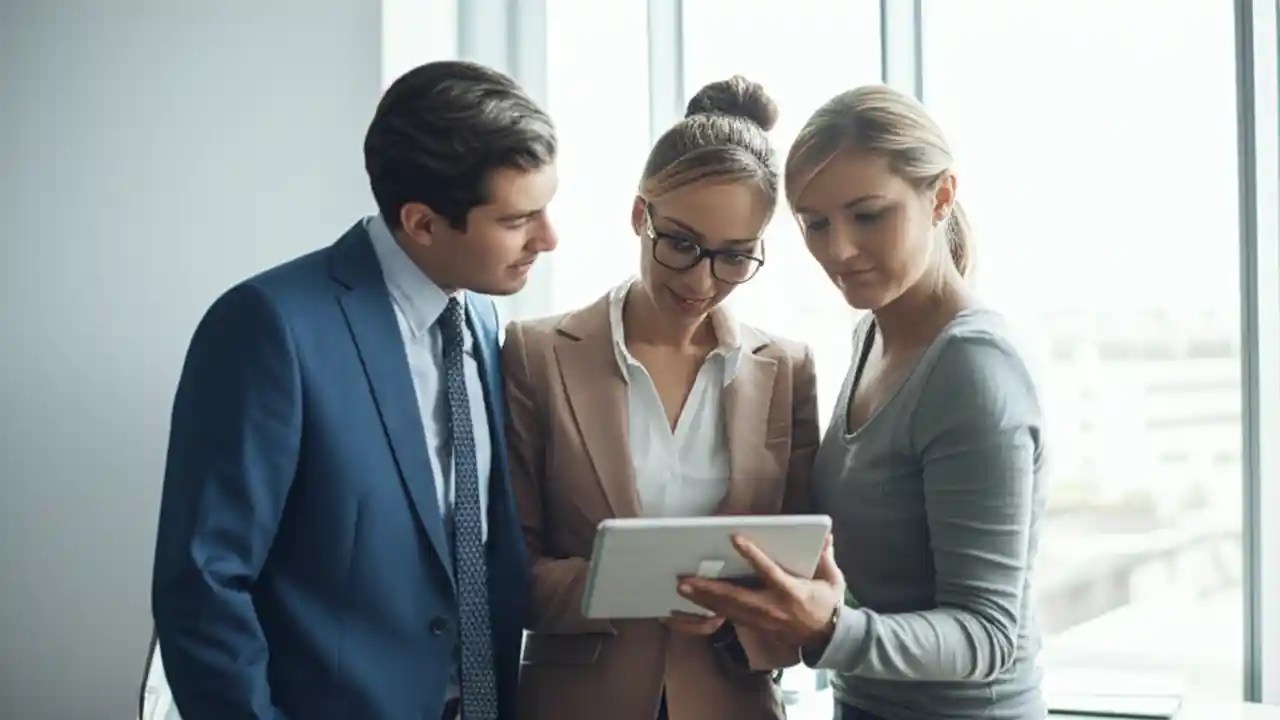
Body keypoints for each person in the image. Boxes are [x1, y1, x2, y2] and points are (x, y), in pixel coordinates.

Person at [150, 60, 559, 720]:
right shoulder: (269, 327)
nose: (549, 239)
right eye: (519, 221)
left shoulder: (480, 317)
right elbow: (205, 582)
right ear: (422, 223)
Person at [678, 84, 1049, 720]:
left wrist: (828, 630)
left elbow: (988, 636)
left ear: (941, 197)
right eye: (815, 224)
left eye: (868, 215)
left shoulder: (972, 367)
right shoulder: (871, 334)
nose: (838, 250)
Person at [501, 76, 820, 720]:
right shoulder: (536, 354)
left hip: (733, 700)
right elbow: (510, 568)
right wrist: (635, 583)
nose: (702, 282)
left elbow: (806, 579)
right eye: (682, 244)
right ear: (640, 215)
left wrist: (737, 614)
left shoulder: (786, 369)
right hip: (578, 702)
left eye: (734, 258)